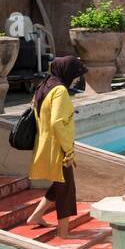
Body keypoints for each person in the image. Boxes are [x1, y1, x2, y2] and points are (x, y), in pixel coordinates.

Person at [26, 56, 87, 237]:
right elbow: (58, 122)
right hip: (58, 148)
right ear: (67, 71)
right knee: (67, 189)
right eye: (76, 74)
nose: (77, 78)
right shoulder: (59, 90)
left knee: (60, 183)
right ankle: (63, 232)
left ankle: (36, 215)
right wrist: (69, 151)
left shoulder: (43, 86)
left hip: (45, 144)